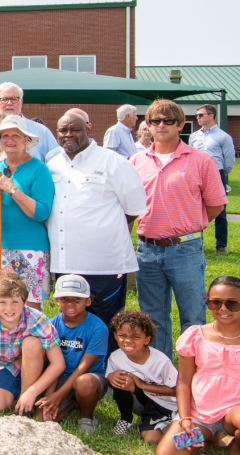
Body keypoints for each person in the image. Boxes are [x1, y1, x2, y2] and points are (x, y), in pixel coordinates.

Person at [129, 99, 227, 359]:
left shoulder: (201, 160)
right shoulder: (136, 161)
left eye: (168, 121)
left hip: (185, 249)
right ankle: (161, 377)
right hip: (147, 250)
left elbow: (215, 205)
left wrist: (189, 222)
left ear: (181, 124)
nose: (161, 125)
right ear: (147, 125)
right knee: (152, 318)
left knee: (193, 316)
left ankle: (193, 375)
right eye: (155, 121)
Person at [47, 110, 147, 353]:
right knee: (72, 324)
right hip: (66, 263)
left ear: (88, 129)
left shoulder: (113, 162)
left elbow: (133, 209)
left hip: (104, 264)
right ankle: (74, 375)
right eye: (63, 130)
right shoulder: (53, 164)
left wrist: (102, 228)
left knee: (106, 323)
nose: (69, 134)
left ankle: (104, 377)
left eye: (75, 129)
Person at [0, 115, 55, 312]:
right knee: (0, 305)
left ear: (26, 140)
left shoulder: (39, 169)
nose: (10, 140)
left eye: (16, 135)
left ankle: (30, 344)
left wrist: (12, 190)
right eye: (5, 135)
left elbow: (41, 213)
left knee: (29, 306)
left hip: (29, 248)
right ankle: (2, 343)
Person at [155, 276, 240, 455]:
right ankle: (213, 437)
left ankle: (236, 445)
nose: (223, 309)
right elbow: (184, 382)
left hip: (236, 413)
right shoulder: (195, 336)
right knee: (168, 453)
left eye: (232, 303)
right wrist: (186, 419)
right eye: (215, 303)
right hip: (201, 414)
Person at [0, 272, 65, 415]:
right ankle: (17, 398)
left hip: (37, 366)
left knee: (31, 343)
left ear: (25, 301)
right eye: (2, 302)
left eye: (15, 302)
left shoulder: (37, 319)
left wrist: (31, 392)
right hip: (7, 365)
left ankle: (25, 404)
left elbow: (58, 363)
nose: (9, 309)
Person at [35, 275, 109, 434]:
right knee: (42, 421)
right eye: (64, 299)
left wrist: (59, 395)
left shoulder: (98, 328)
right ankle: (73, 404)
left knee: (84, 383)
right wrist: (53, 393)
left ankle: (86, 416)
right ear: (57, 301)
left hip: (89, 378)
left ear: (88, 301)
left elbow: (84, 367)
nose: (70, 303)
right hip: (60, 378)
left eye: (77, 299)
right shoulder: (51, 323)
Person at [106, 310, 178, 442]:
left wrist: (142, 385)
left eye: (135, 337)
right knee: (150, 439)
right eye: (122, 335)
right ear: (116, 336)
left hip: (171, 407)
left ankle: (179, 430)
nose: (128, 341)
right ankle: (126, 419)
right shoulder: (115, 357)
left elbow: (178, 390)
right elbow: (114, 385)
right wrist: (110, 377)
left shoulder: (161, 362)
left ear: (147, 339)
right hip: (147, 405)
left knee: (162, 438)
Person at [0, 82, 59, 163]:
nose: (9, 103)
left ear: (21, 102)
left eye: (14, 99)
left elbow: (57, 162)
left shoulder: (41, 132)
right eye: (4, 99)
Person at [190, 104, 235, 254]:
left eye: (201, 115)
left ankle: (221, 245)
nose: (198, 117)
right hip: (196, 176)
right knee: (195, 209)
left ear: (211, 116)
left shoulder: (223, 136)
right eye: (197, 115)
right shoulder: (194, 136)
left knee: (219, 211)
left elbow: (229, 161)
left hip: (216, 175)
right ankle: (197, 242)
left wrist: (219, 174)